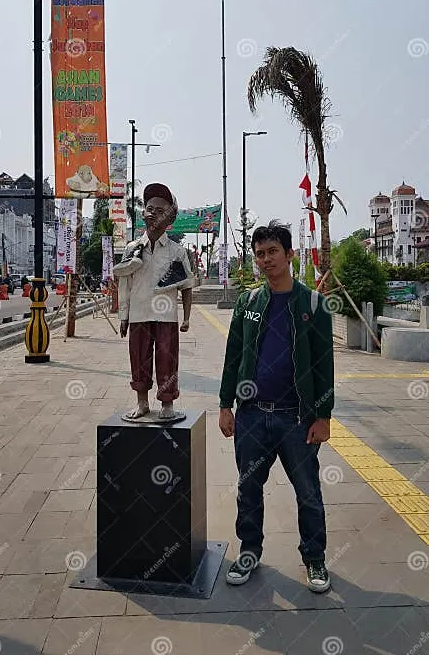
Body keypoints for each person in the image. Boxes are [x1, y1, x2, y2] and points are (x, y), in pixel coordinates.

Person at [219, 220, 334, 592]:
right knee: (248, 488)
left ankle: (314, 559)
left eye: (272, 252)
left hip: (295, 419)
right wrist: (225, 404)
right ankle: (249, 553)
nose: (266, 260)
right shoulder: (249, 303)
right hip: (252, 416)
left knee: (308, 492)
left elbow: (323, 363)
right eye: (260, 254)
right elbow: (233, 354)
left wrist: (324, 415)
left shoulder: (313, 304)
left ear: (289, 254)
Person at [114, 183, 195, 419]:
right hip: (139, 314)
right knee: (139, 359)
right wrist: (123, 316)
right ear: (143, 213)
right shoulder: (132, 248)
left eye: (161, 210)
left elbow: (187, 286)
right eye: (150, 209)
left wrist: (187, 318)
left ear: (170, 216)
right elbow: (124, 284)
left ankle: (167, 404)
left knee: (167, 360)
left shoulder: (177, 252)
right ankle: (142, 402)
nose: (154, 214)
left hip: (166, 317)